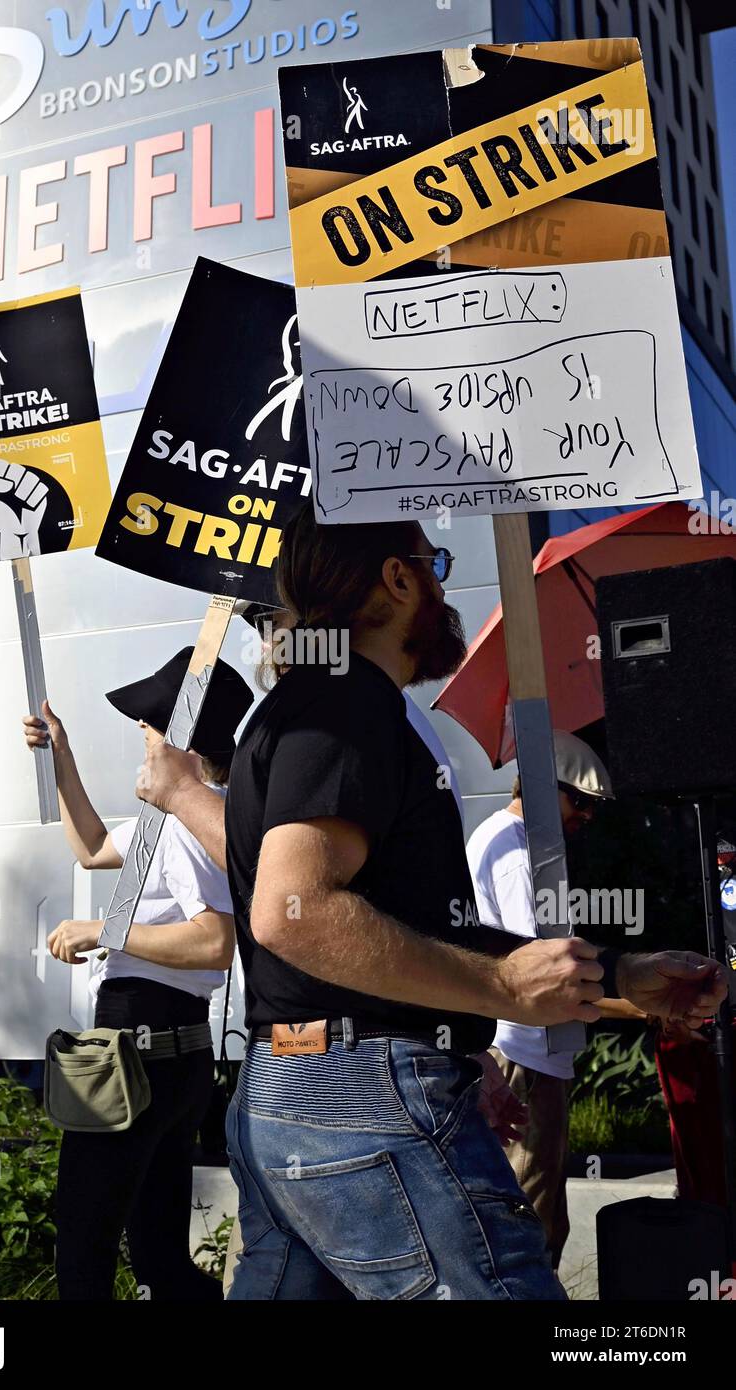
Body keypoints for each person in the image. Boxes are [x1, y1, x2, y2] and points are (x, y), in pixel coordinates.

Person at [139, 508, 725, 1301]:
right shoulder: (343, 702)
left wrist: (614, 971)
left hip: (290, 1085)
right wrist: (500, 990)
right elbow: (291, 909)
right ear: (395, 576)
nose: (442, 591)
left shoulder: (303, 707)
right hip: (363, 1090)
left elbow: (413, 930)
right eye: (434, 564)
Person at [22, 647, 252, 1301]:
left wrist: (103, 931)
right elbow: (94, 848)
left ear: (181, 741)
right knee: (156, 1258)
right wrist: (60, 755)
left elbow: (215, 941)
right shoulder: (174, 817)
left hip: (137, 1054)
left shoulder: (185, 822)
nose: (141, 735)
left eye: (150, 725)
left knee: (84, 1251)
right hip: (171, 1057)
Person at [467, 733, 644, 1271]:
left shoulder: (508, 838)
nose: (588, 817)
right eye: (581, 802)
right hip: (522, 1054)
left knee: (534, 1218)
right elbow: (541, 967)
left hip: (524, 1050)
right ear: (545, 788)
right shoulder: (517, 849)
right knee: (530, 1224)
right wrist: (634, 1002)